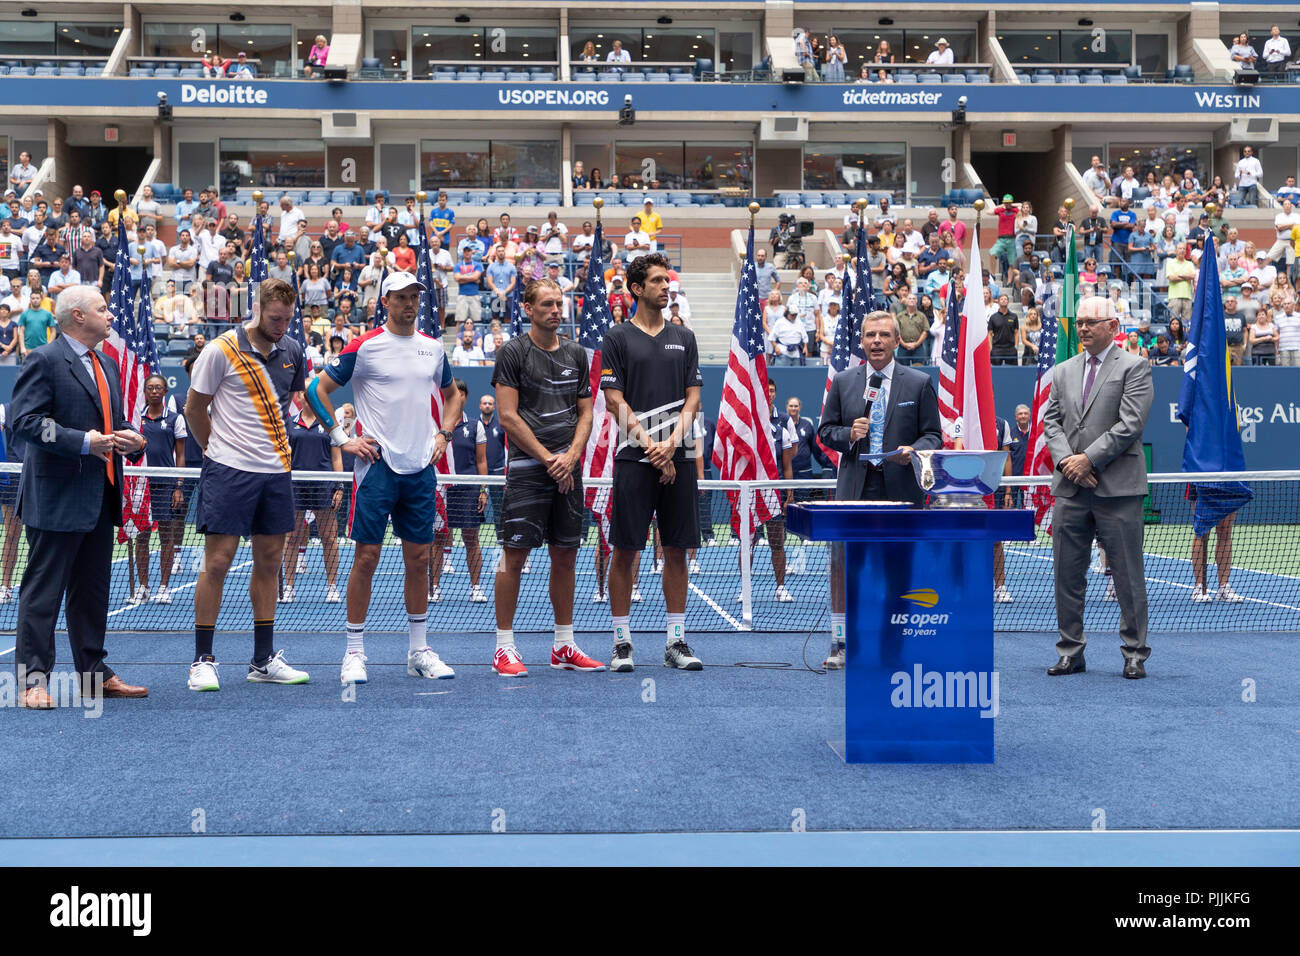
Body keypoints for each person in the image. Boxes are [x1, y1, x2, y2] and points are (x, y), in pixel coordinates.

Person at [306, 271, 463, 685]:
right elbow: (315, 390)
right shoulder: (365, 347)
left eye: (414, 296)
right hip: (375, 469)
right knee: (367, 559)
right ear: (385, 301)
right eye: (401, 297)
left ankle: (418, 651)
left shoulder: (433, 348)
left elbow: (452, 397)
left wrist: (444, 434)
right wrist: (342, 439)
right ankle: (354, 652)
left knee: (419, 560)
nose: (409, 304)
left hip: (420, 472)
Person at [9, 286, 148, 708]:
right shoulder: (44, 359)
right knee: (43, 592)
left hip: (100, 497)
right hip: (54, 498)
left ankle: (93, 674)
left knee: (91, 593)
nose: (111, 315)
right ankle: (33, 680)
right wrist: (82, 442)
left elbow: (114, 421)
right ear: (77, 316)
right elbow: (25, 422)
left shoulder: (106, 363)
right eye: (103, 309)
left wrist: (132, 439)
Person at [184, 278, 310, 692]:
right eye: (276, 318)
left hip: (276, 472)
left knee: (270, 563)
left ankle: (262, 660)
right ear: (257, 309)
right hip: (228, 471)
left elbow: (292, 404)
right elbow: (194, 408)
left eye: (289, 319)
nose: (282, 326)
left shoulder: (293, 350)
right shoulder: (220, 350)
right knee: (217, 563)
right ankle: (202, 660)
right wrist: (215, 449)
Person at [816, 310, 942, 668]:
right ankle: (842, 645)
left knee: (897, 573)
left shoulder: (918, 382)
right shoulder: (843, 381)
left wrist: (913, 451)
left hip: (901, 493)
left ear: (897, 340)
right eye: (870, 335)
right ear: (861, 340)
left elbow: (934, 434)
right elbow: (826, 432)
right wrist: (848, 434)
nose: (876, 341)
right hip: (855, 490)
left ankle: (893, 649)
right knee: (847, 571)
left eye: (884, 335)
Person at [489, 279, 602, 676]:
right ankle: (504, 648)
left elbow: (586, 413)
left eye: (560, 304)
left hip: (568, 472)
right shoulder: (512, 352)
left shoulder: (576, 354)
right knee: (513, 557)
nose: (556, 310)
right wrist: (549, 459)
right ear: (527, 308)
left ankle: (564, 646)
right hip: (526, 471)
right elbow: (507, 415)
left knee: (566, 556)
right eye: (547, 304)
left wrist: (570, 458)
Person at [600, 253, 704, 672]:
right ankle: (622, 643)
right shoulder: (617, 337)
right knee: (625, 549)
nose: (667, 286)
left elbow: (693, 398)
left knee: (677, 549)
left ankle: (676, 642)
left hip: (681, 454)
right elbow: (613, 399)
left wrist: (671, 444)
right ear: (637, 288)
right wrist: (651, 447)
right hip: (633, 456)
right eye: (658, 281)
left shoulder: (685, 337)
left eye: (668, 280)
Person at [1042, 301, 1154, 679]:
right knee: (1066, 575)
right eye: (1080, 322)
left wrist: (1087, 459)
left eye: (1092, 322)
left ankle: (1134, 653)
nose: (1084, 328)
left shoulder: (1135, 366)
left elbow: (1130, 424)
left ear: (1113, 325)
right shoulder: (1062, 371)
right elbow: (1051, 423)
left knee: (1127, 575)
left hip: (1118, 490)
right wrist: (1068, 464)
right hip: (1071, 490)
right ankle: (1070, 651)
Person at [133, 374, 187, 606]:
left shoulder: (175, 420)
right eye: (150, 388)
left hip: (166, 485)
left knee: (166, 536)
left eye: (158, 388)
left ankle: (164, 588)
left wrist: (178, 486)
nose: (154, 391)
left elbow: (181, 455)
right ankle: (143, 587)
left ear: (165, 392)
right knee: (141, 536)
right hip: (141, 485)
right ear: (145, 392)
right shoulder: (136, 420)